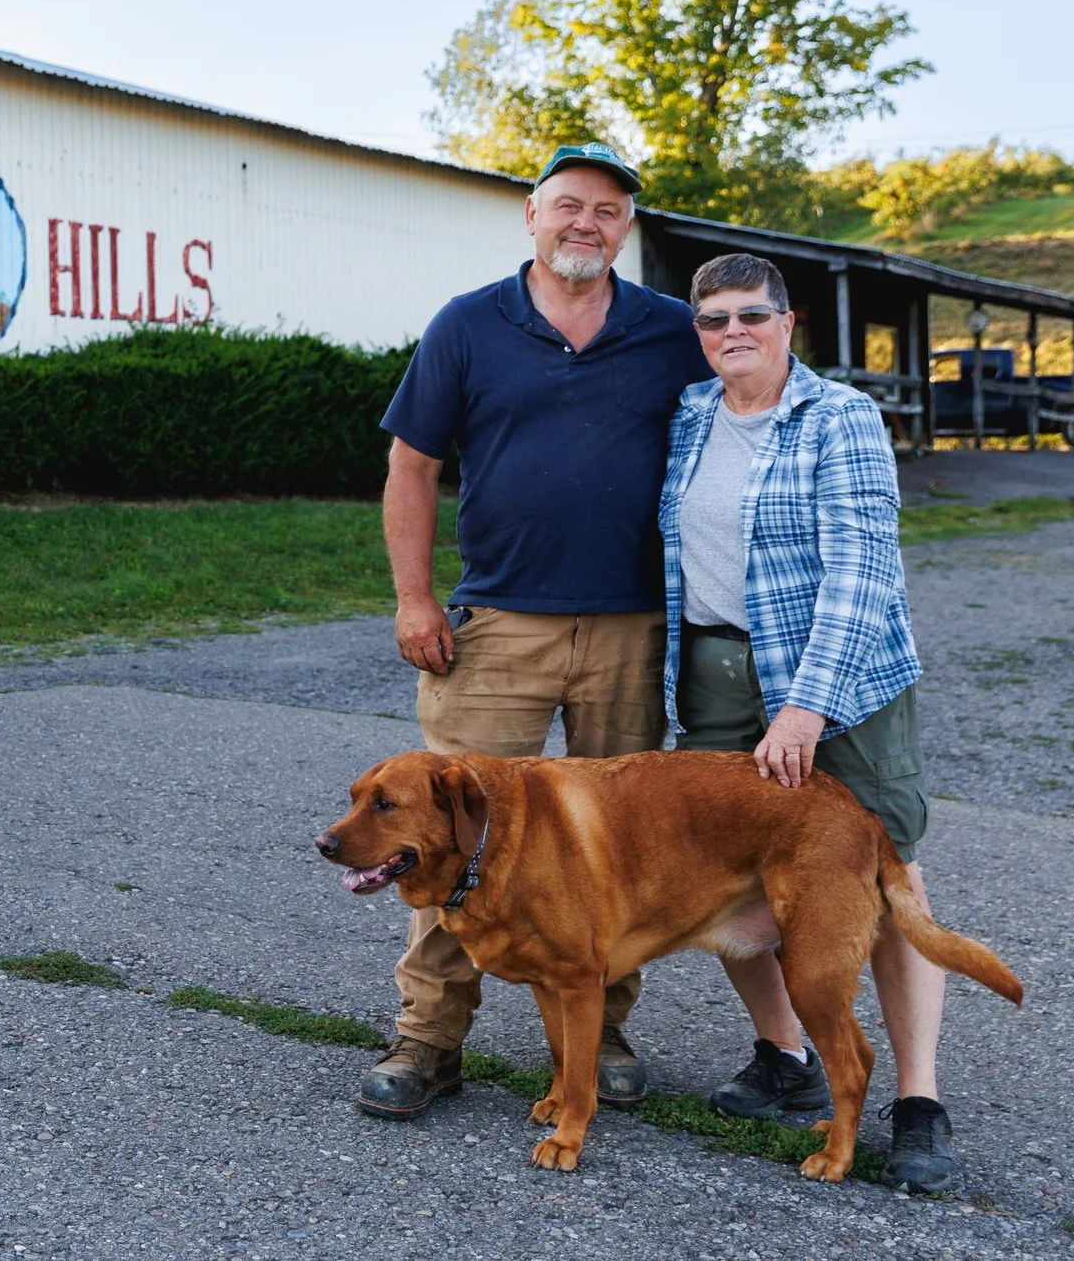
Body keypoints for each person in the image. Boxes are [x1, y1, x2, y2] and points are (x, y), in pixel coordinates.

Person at [366, 142, 715, 1120]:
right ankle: (426, 1041)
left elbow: (752, 410)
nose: (585, 224)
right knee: (446, 839)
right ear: (530, 214)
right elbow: (410, 466)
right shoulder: (468, 325)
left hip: (633, 628)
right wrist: (413, 597)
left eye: (607, 211)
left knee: (619, 846)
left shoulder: (670, 330)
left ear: (626, 229)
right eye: (567, 205)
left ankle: (596, 1029)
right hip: (499, 626)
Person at [659, 251, 961, 1194]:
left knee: (882, 871)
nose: (733, 332)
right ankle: (784, 1057)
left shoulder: (843, 419)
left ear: (790, 324)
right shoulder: (690, 416)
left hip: (843, 681)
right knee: (730, 877)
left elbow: (863, 571)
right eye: (714, 320)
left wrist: (806, 705)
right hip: (714, 676)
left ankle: (917, 1103)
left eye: (753, 315)